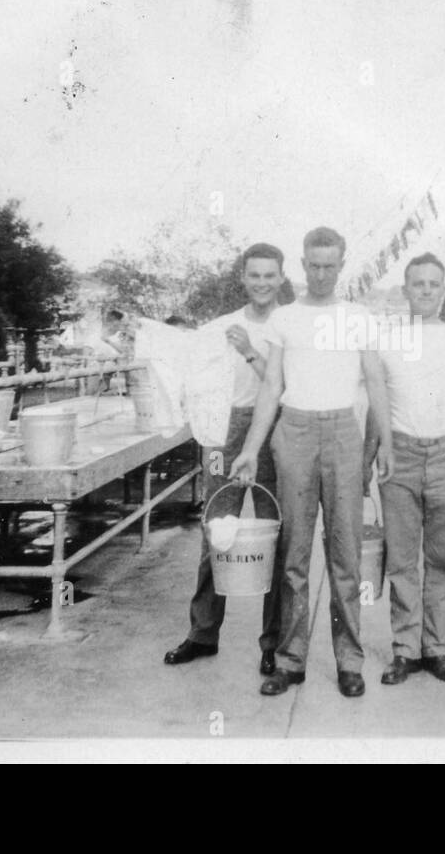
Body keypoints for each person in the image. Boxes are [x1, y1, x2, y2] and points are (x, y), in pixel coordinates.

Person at [231, 227, 393, 698]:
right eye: (314, 265)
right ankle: (289, 659)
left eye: (330, 265)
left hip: (344, 431)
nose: (321, 273)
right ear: (303, 266)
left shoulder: (359, 317)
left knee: (345, 554)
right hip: (295, 433)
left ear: (342, 266)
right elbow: (271, 388)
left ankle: (349, 660)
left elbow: (377, 383)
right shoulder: (284, 318)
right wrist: (248, 448)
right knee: (293, 554)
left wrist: (384, 443)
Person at [363, 253, 445, 685]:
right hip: (402, 454)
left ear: (444, 291)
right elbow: (377, 405)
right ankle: (404, 650)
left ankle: (436, 647)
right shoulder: (387, 340)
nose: (427, 291)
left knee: (442, 558)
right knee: (400, 559)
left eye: (435, 284)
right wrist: (376, 452)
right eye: (419, 284)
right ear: (406, 289)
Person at [164, 243, 286, 675]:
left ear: (282, 278)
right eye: (254, 275)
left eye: (270, 275)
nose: (262, 283)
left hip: (276, 428)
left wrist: (251, 350)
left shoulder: (290, 325)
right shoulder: (220, 326)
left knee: (277, 536)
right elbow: (185, 368)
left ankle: (274, 643)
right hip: (224, 431)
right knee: (217, 530)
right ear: (243, 278)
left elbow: (286, 385)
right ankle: (202, 633)